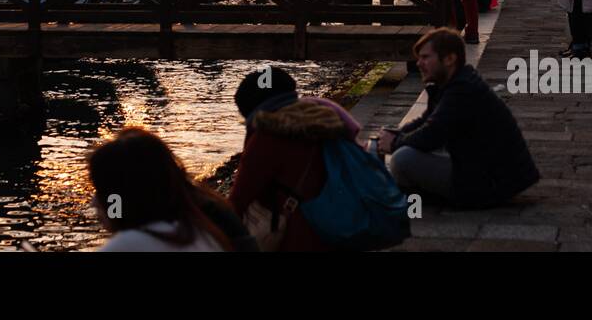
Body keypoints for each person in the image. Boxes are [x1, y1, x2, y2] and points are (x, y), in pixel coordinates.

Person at [378, 28, 539, 208]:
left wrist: (394, 143)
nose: (419, 63)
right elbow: (427, 121)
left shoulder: (462, 90)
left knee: (403, 159)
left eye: (425, 58)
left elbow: (431, 135)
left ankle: (418, 198)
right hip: (488, 170)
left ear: (449, 59)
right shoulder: (456, 83)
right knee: (408, 150)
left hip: (491, 182)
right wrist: (397, 133)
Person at [228, 67, 358, 252]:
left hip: (296, 239)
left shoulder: (268, 138)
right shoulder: (328, 119)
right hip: (342, 230)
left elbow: (237, 203)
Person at [88, 127, 233, 251]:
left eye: (101, 189)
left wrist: (115, 220)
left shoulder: (127, 244)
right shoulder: (203, 232)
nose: (93, 202)